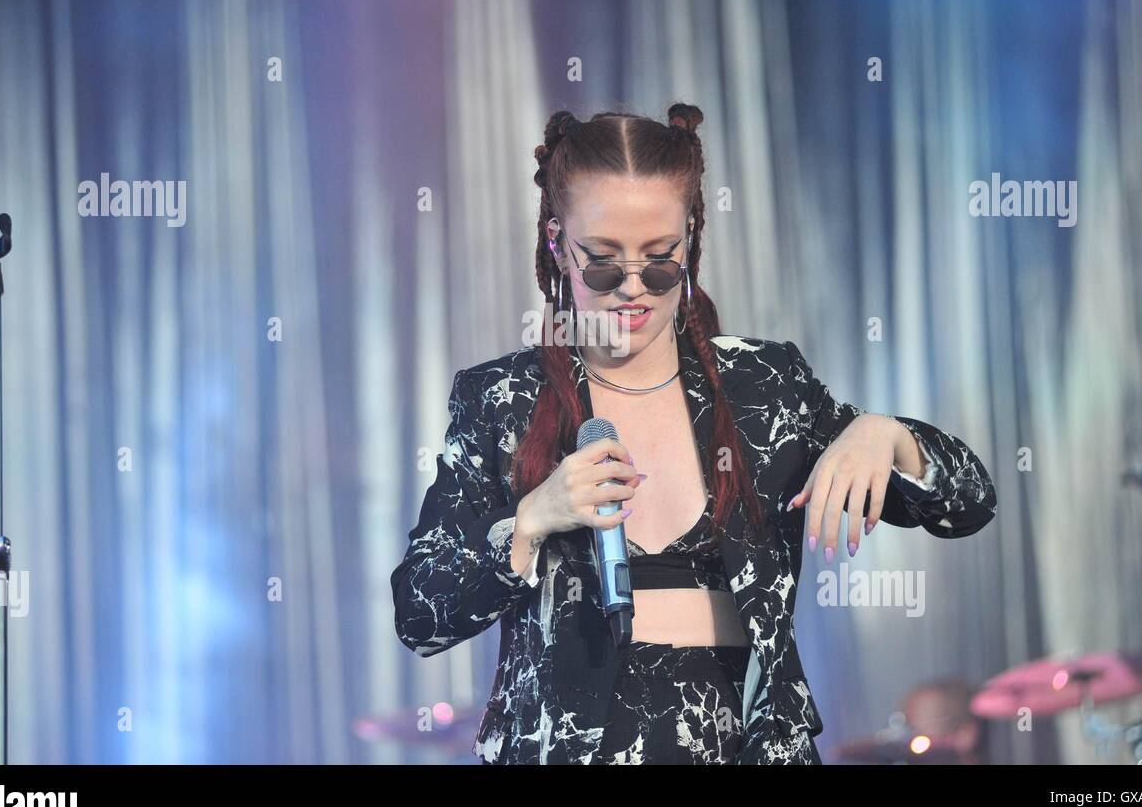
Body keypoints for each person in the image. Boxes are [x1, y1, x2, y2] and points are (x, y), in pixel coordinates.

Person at [391, 103, 997, 764]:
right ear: (557, 244)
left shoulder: (764, 386)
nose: (633, 289)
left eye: (660, 261)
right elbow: (421, 614)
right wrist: (531, 520)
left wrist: (887, 436)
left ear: (690, 242)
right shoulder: (502, 401)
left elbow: (970, 504)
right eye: (603, 262)